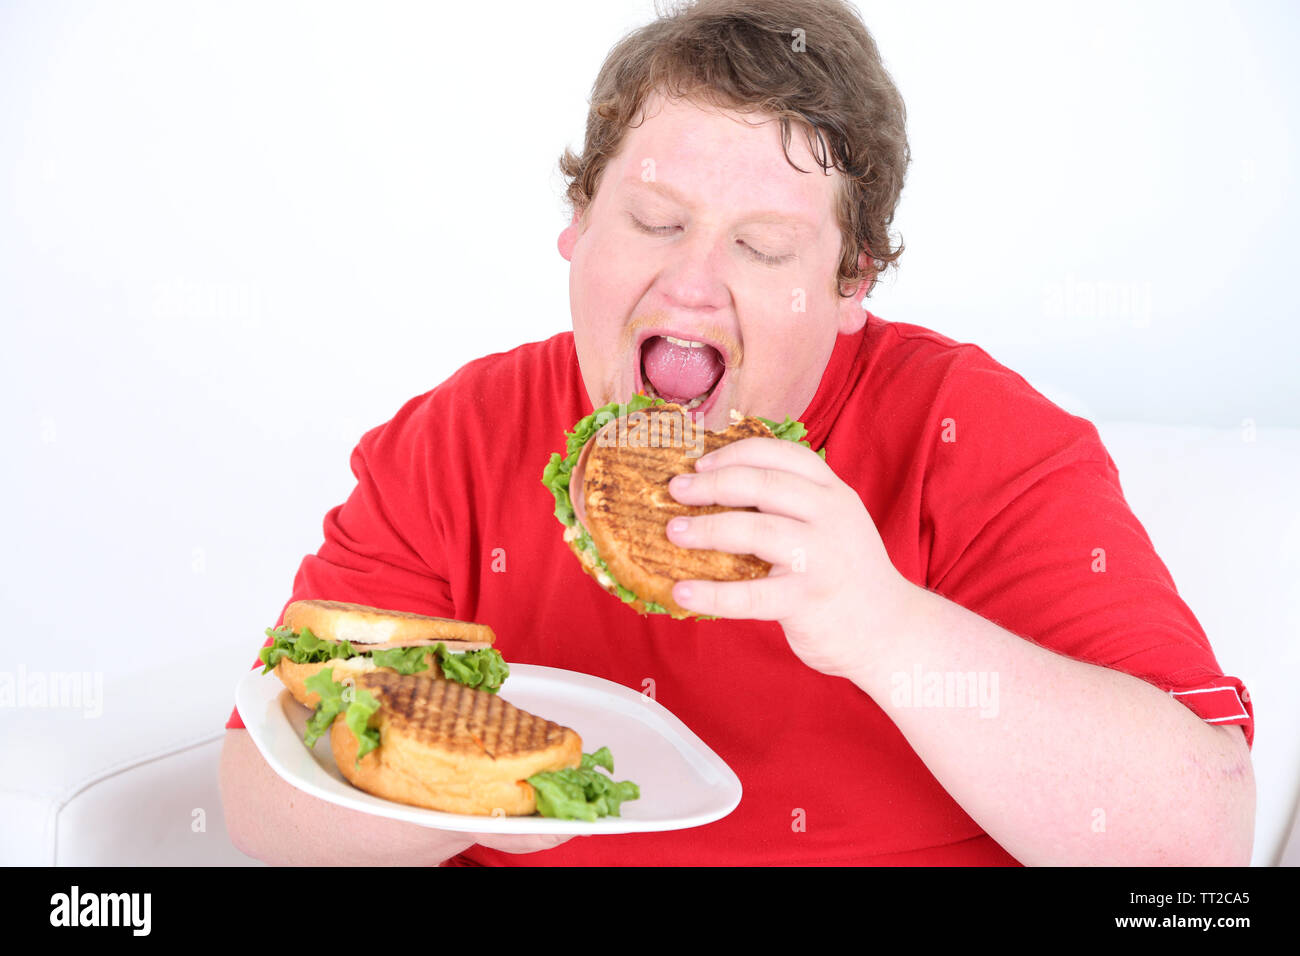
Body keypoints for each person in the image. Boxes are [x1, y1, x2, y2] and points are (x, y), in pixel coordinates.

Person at [220, 0, 1254, 866]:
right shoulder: (454, 439)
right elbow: (262, 800)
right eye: (655, 221)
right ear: (577, 219)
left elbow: (1199, 843)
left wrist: (883, 626)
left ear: (850, 281)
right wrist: (487, 788)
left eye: (762, 247)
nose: (691, 283)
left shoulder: (977, 437)